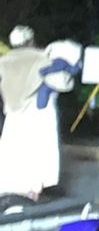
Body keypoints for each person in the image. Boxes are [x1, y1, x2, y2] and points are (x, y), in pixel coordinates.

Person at [0, 27, 81, 202]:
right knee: (37, 152)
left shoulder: (5, 61)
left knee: (13, 153)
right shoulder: (42, 58)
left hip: (14, 114)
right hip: (39, 113)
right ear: (31, 39)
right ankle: (33, 192)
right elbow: (62, 82)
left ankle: (9, 192)